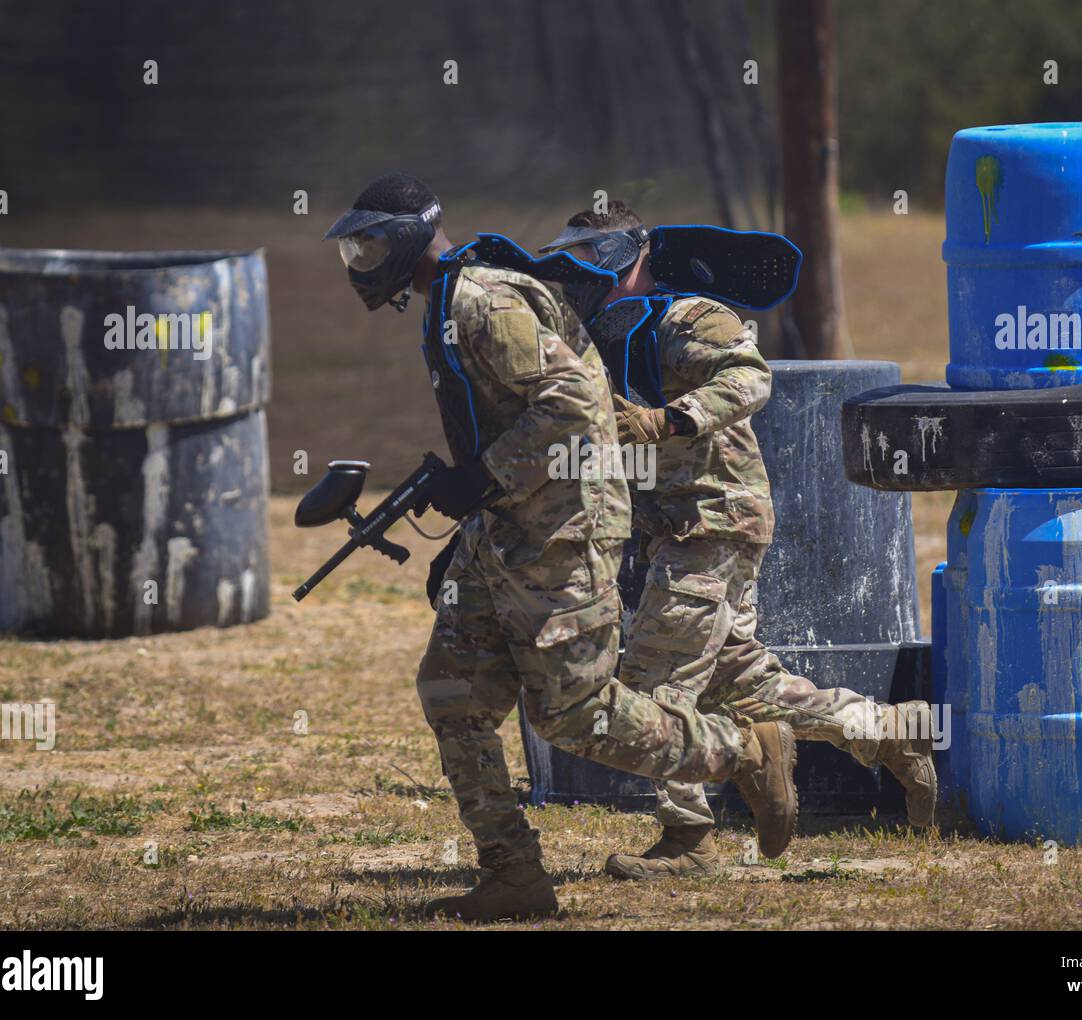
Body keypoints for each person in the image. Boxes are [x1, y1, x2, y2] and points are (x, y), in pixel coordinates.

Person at [323, 173, 798, 921]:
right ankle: (513, 874)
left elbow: (573, 405)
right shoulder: (449, 301)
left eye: (371, 242)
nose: (362, 259)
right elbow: (510, 421)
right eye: (356, 246)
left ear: (414, 234)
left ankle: (742, 750)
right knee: (452, 694)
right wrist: (473, 517)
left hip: (563, 526)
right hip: (509, 525)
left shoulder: (481, 299)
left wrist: (485, 477)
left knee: (574, 714)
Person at [539, 201, 937, 882]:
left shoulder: (689, 316)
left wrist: (671, 420)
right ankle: (888, 731)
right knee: (743, 682)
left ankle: (688, 838)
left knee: (650, 686)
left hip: (715, 521)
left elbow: (752, 378)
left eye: (604, 260)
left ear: (642, 258)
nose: (590, 277)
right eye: (576, 262)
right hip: (671, 530)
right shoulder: (596, 338)